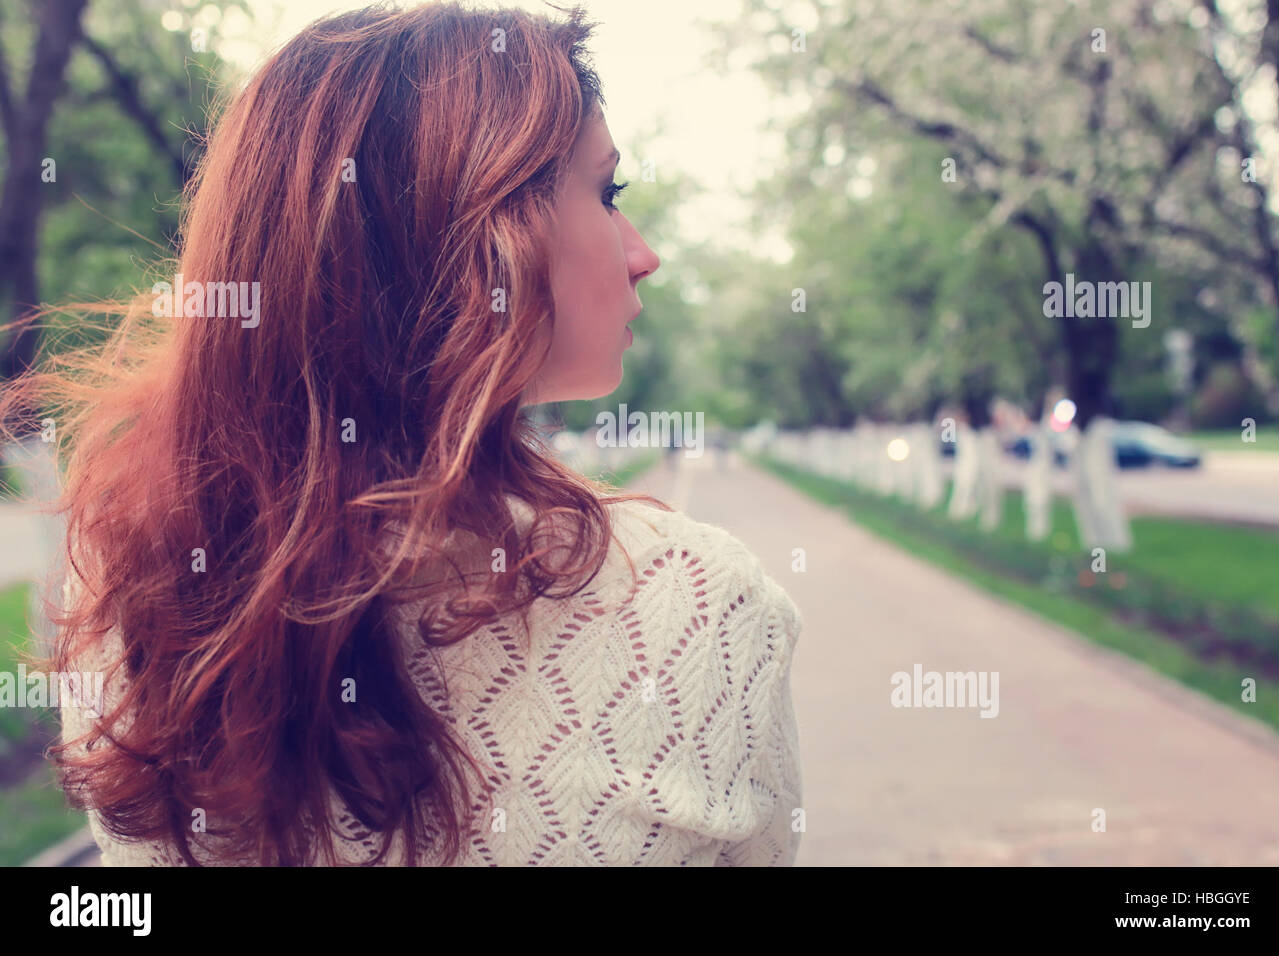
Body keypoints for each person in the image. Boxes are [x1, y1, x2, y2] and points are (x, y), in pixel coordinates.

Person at [0, 1, 802, 867]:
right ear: (479, 241)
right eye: (606, 193)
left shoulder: (133, 589)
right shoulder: (696, 606)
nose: (643, 252)